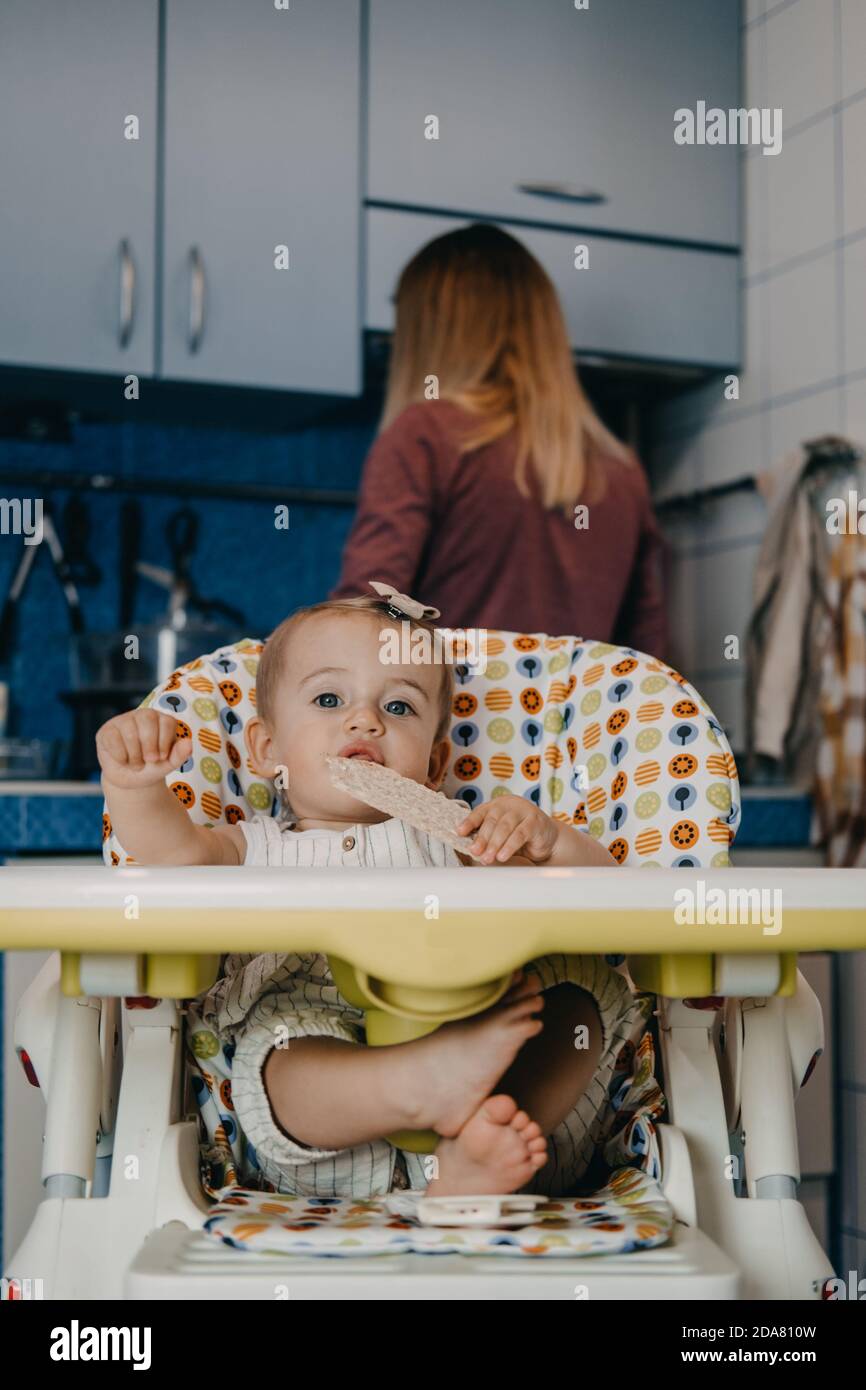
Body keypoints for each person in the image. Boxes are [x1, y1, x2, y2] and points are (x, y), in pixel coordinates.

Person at [96, 588, 650, 1199]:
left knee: (584, 990)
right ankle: (416, 1084)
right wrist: (136, 786)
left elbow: (602, 891)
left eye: (400, 706)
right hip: (316, 1104)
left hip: (495, 1094)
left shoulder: (463, 837)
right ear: (266, 749)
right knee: (277, 1043)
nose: (365, 720)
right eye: (330, 699)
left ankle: (474, 1149)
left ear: (435, 763)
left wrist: (545, 843)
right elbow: (172, 855)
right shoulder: (251, 846)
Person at [331, 223, 667, 657]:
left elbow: (364, 622)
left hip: (456, 724)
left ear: (425, 332)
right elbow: (649, 660)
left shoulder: (425, 436)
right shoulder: (621, 470)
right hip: (578, 726)